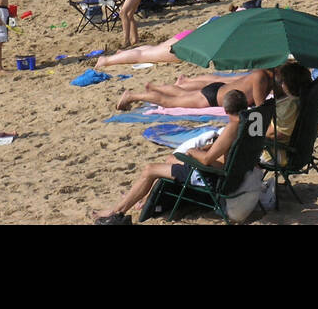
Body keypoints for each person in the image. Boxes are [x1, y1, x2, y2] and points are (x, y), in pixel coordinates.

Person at [94, 89, 248, 225]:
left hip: (212, 178)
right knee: (171, 159)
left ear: (225, 110)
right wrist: (206, 148)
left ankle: (116, 213)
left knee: (150, 170)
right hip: (231, 176)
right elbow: (224, 148)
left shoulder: (232, 128)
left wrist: (193, 152)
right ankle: (143, 200)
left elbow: (207, 160)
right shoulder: (247, 124)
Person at [115, 70, 274, 112]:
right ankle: (132, 96)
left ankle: (155, 87)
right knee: (171, 102)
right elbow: (260, 109)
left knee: (180, 94)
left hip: (219, 91)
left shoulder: (265, 76)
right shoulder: (261, 77)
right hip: (213, 97)